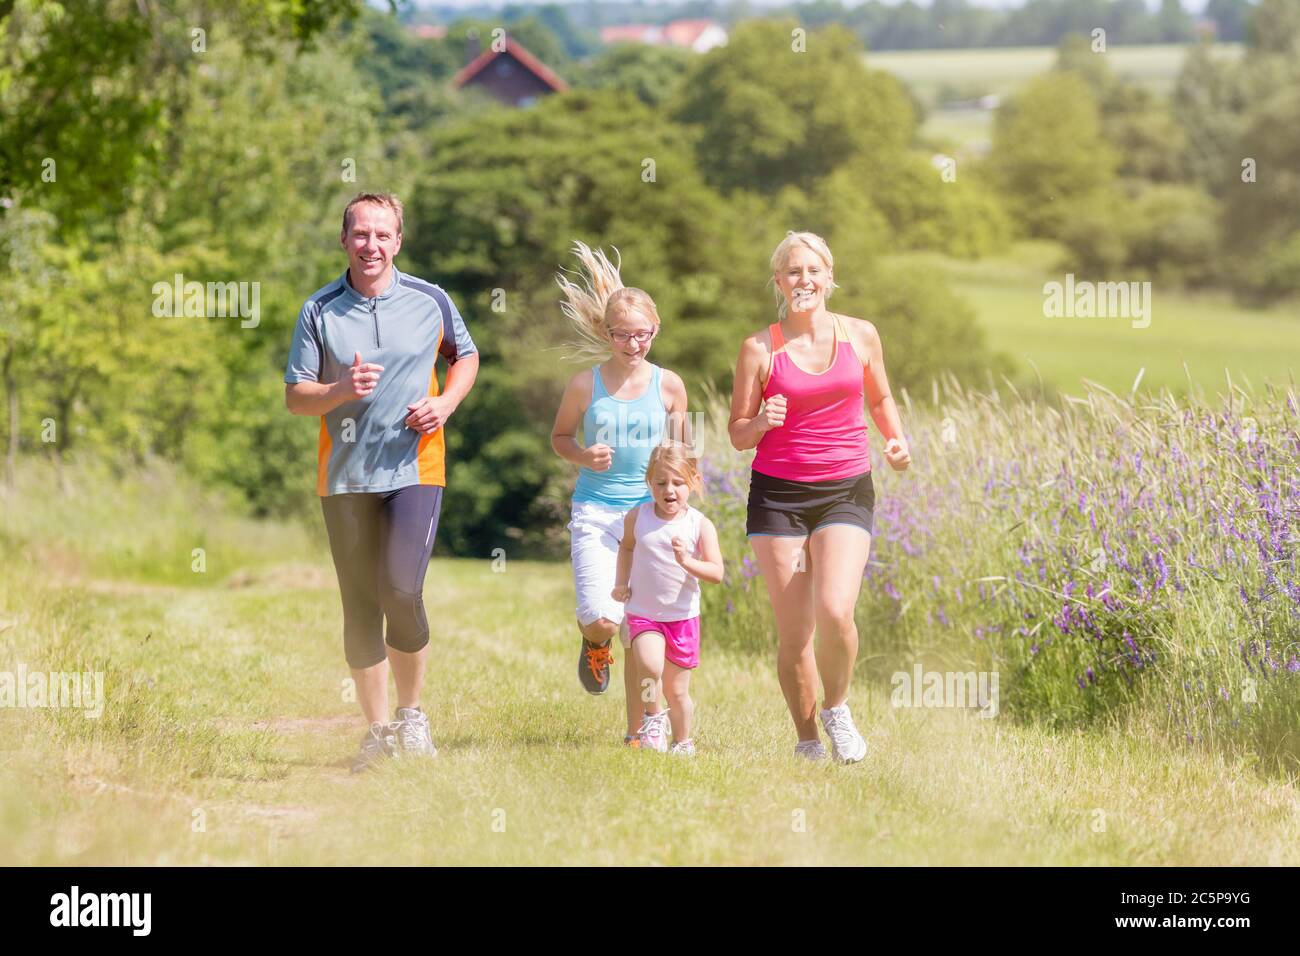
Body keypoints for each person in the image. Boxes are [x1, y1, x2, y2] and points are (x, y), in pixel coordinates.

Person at [284, 192, 479, 772]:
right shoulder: (319, 310)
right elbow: (297, 397)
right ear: (344, 240)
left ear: (399, 240)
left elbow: (465, 357)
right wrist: (341, 388)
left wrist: (444, 404)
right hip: (344, 478)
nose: (372, 245)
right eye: (361, 234)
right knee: (360, 604)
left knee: (401, 589)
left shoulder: (430, 300)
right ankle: (376, 731)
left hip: (414, 468)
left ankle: (412, 714)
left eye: (383, 235)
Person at [728, 231, 911, 763]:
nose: (803, 280)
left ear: (829, 275)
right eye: (792, 271)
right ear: (778, 282)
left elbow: (879, 397)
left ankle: (838, 708)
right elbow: (738, 432)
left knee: (836, 611)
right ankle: (807, 741)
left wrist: (895, 441)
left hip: (846, 488)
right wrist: (761, 420)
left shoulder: (861, 335)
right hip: (778, 496)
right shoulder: (758, 349)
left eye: (812, 270)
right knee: (795, 634)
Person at [550, 243, 689, 745]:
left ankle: (638, 732)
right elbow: (560, 438)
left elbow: (683, 455)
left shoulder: (670, 386)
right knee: (605, 621)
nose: (633, 345)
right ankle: (593, 645)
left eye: (642, 334)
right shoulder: (584, 385)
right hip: (596, 512)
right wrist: (584, 456)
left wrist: (682, 513)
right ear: (607, 334)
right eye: (623, 335)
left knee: (642, 632)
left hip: (649, 516)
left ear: (655, 331)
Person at [611, 442, 723, 754]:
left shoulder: (699, 524)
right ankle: (653, 718)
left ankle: (683, 741)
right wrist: (621, 583)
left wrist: (687, 561)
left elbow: (716, 572)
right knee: (648, 665)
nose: (669, 490)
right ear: (650, 483)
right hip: (643, 613)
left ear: (694, 483)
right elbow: (627, 547)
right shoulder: (638, 517)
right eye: (660, 483)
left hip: (683, 618)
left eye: (677, 483)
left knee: (677, 691)